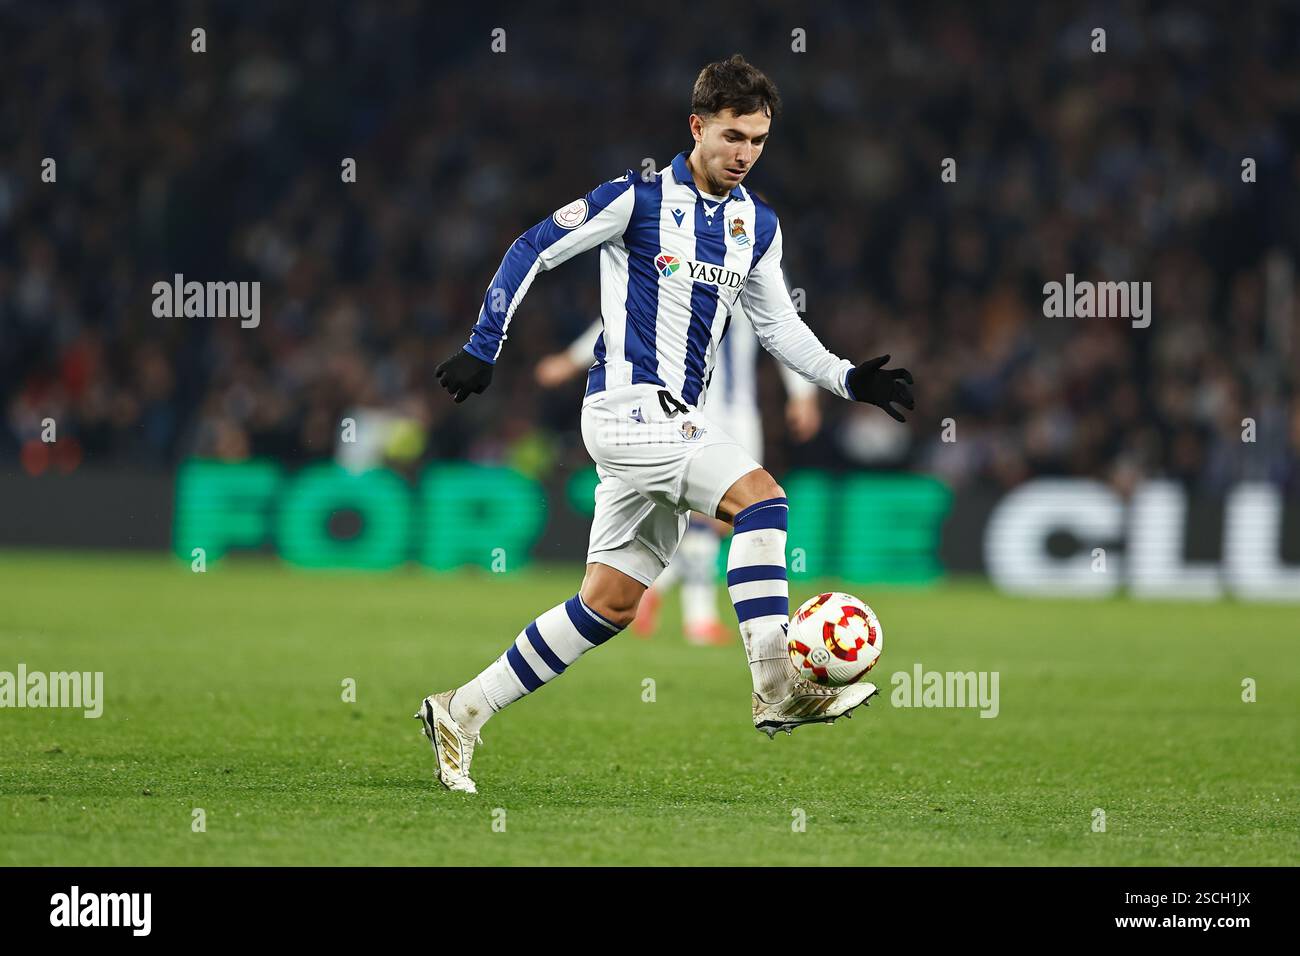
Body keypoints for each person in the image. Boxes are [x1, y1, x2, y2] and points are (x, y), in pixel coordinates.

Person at [420, 54, 914, 793]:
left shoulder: (757, 225)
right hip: (627, 410)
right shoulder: (638, 199)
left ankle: (461, 709)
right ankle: (776, 681)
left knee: (609, 604)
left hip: (674, 422)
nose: (744, 154)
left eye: (757, 140)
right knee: (765, 500)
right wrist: (482, 345)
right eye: (732, 136)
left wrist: (846, 377)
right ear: (697, 126)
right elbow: (533, 246)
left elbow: (779, 327)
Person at [535, 306, 821, 646]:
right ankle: (699, 619)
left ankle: (659, 587)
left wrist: (803, 393)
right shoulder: (681, 260)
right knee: (717, 515)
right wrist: (572, 358)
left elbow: (782, 324)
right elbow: (625, 311)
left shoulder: (751, 257)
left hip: (740, 412)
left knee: (731, 519)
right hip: (696, 407)